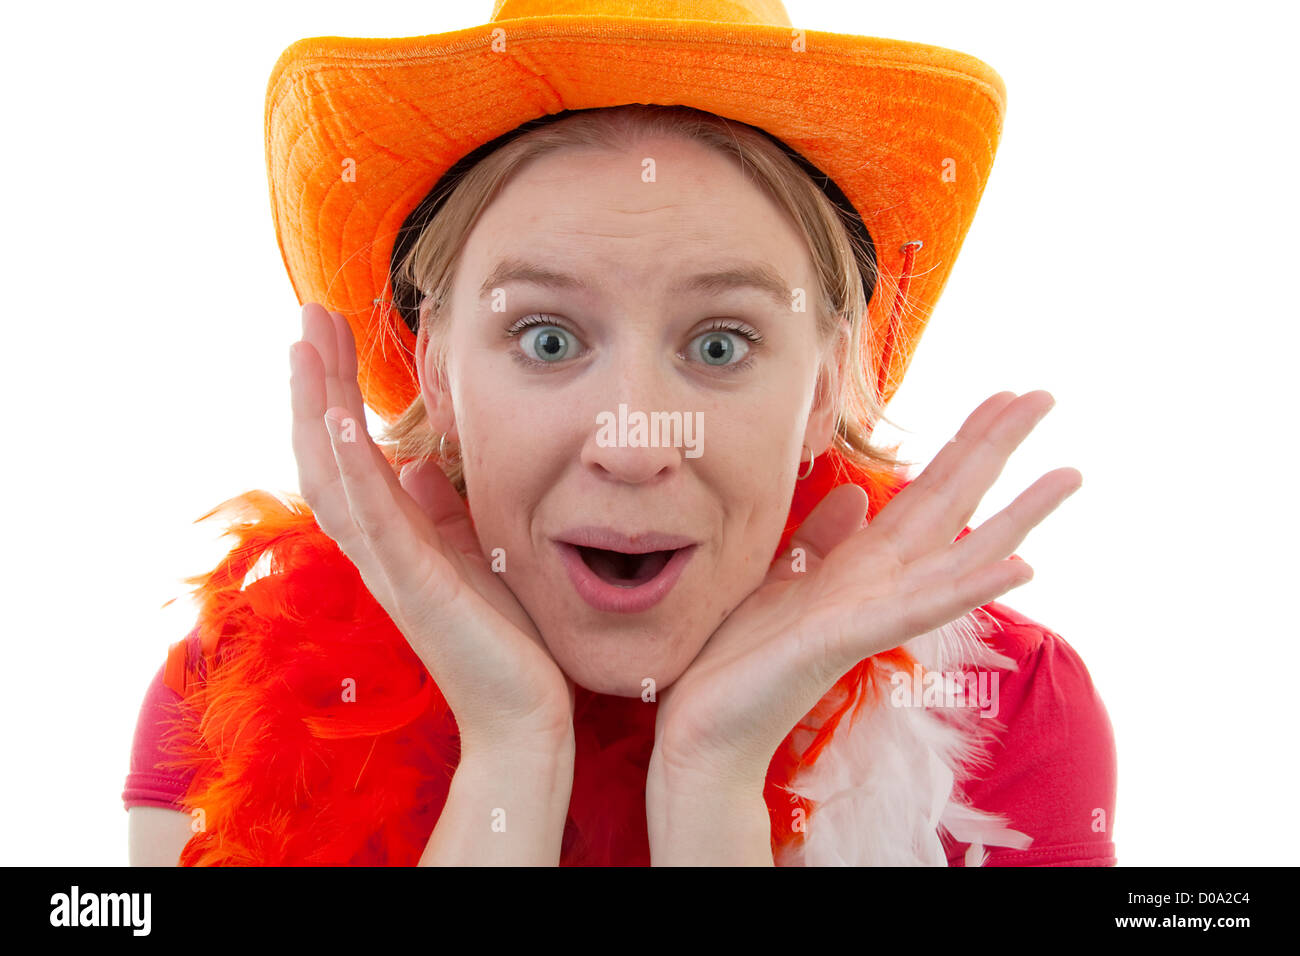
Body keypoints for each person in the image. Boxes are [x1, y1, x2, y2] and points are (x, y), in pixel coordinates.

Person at [124, 0, 1117, 866]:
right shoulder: (226, 702)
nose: (634, 441)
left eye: (721, 344)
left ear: (822, 387)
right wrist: (511, 747)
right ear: (436, 370)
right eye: (546, 337)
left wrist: (711, 781)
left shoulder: (1008, 715)